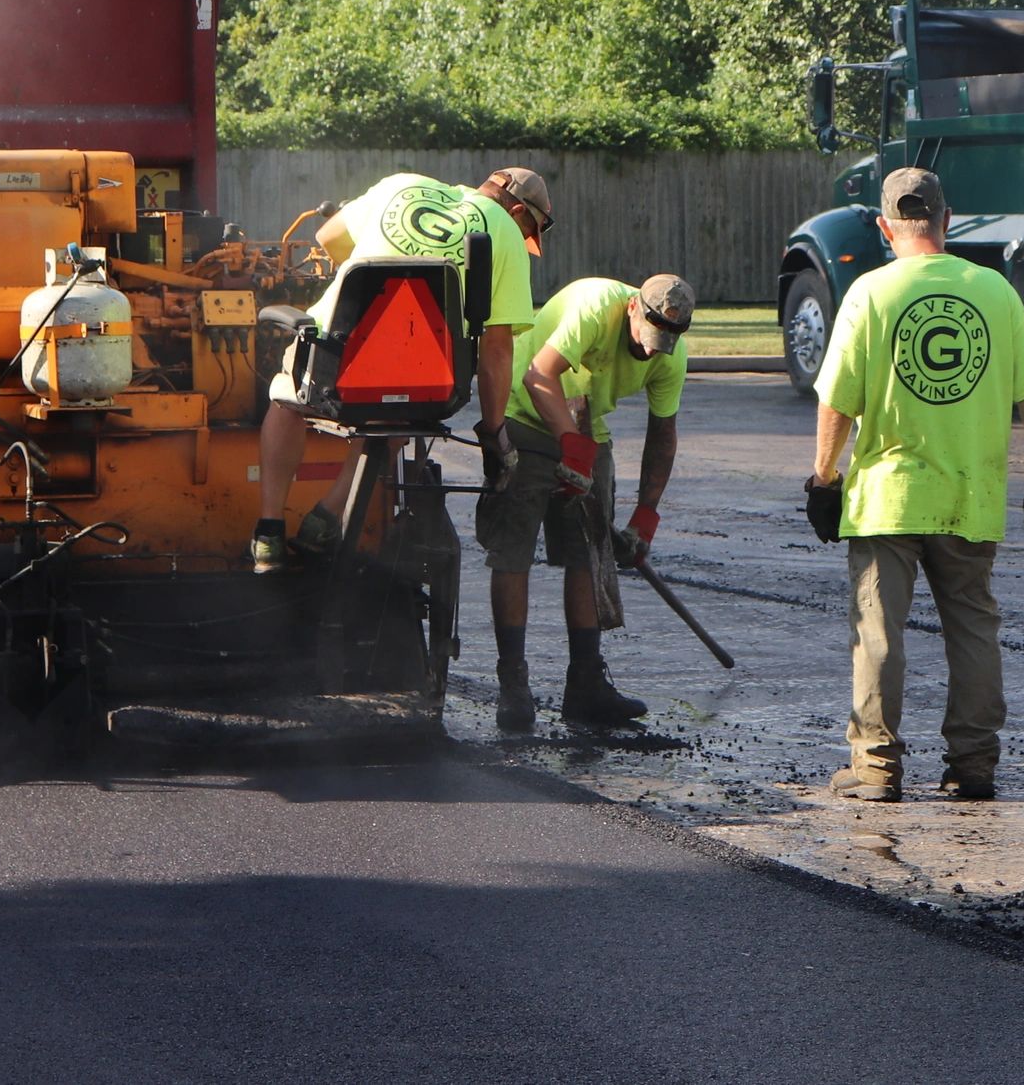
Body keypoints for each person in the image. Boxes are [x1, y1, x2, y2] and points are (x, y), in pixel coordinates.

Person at [807, 167, 1024, 803]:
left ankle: (874, 767)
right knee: (974, 629)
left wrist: (824, 477)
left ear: (883, 227)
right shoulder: (995, 292)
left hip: (887, 499)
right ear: (947, 222)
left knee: (878, 633)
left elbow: (837, 401)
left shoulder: (869, 294)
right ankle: (974, 763)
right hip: (969, 496)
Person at [251, 168, 551, 570]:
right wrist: (494, 430)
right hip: (423, 375)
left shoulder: (400, 184)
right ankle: (326, 516)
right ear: (516, 210)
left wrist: (368, 280)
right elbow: (497, 349)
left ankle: (268, 532)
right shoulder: (505, 234)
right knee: (401, 414)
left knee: (285, 397)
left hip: (335, 360)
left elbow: (327, 239)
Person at [481, 273, 695, 731]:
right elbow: (539, 374)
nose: (652, 351)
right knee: (514, 550)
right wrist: (570, 447)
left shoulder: (668, 356)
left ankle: (584, 685)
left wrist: (646, 514)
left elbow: (663, 434)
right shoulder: (596, 308)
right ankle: (513, 684)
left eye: (664, 343)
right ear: (634, 309)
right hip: (525, 413)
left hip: (587, 427)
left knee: (589, 556)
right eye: (648, 338)